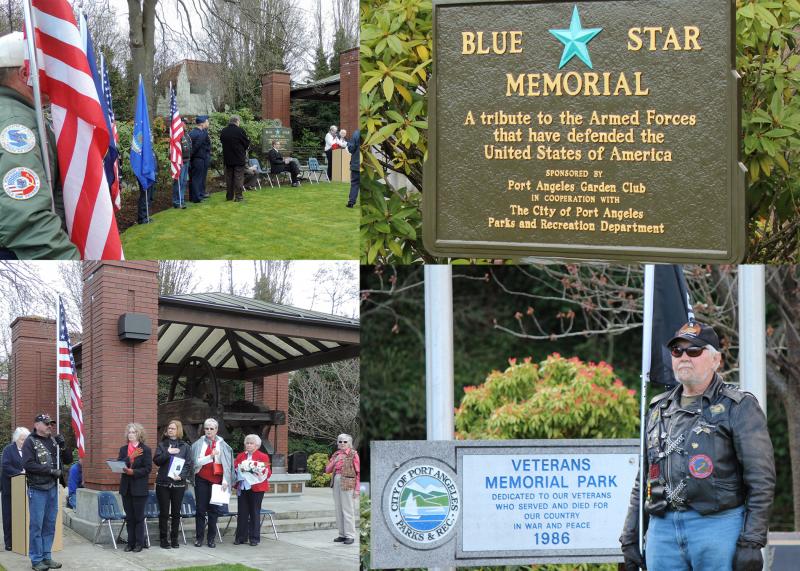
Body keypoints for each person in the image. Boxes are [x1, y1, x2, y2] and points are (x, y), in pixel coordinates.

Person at [620, 321, 776, 571]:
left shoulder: (738, 407)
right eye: (677, 351)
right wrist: (630, 536)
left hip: (718, 526)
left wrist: (752, 541)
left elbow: (761, 480)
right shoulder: (658, 408)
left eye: (694, 351)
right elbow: (644, 479)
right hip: (663, 531)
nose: (684, 357)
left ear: (716, 360)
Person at [0, 32, 79, 260]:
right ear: (26, 73)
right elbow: (26, 220)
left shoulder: (18, 113)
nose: (53, 80)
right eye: (46, 72)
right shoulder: (16, 123)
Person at [22, 413, 72, 570]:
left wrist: (63, 446)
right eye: (46, 423)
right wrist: (50, 471)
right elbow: (29, 464)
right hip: (37, 489)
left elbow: (69, 460)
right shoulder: (30, 442)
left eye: (51, 423)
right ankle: (36, 560)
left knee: (49, 525)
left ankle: (46, 556)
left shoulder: (53, 441)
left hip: (52, 488)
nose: (50, 426)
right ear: (37, 425)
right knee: (36, 525)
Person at [190, 418, 233, 548]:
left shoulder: (223, 445)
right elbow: (195, 463)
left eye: (211, 428)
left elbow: (228, 465)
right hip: (202, 479)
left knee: (214, 510)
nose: (209, 431)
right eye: (206, 428)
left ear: (216, 430)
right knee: (201, 510)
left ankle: (211, 539)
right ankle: (199, 538)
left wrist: (226, 481)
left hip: (217, 481)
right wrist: (210, 457)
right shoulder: (198, 444)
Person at [153, 419, 192, 549]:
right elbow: (157, 461)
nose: (170, 430)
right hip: (163, 483)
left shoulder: (185, 446)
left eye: (173, 428)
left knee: (176, 513)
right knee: (164, 513)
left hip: (178, 484)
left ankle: (174, 538)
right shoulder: (162, 445)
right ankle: (164, 539)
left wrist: (181, 476)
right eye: (169, 428)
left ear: (178, 430)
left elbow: (188, 464)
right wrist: (167, 453)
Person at [116, 423, 153, 553]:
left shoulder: (145, 449)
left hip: (139, 488)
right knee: (129, 517)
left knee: (138, 517)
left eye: (134, 432)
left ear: (139, 434)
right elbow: (119, 464)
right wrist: (130, 457)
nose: (131, 434)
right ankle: (130, 543)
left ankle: (139, 543)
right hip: (126, 488)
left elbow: (148, 469)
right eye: (129, 432)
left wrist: (134, 472)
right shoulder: (123, 449)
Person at [232, 434, 271, 546]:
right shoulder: (240, 456)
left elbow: (267, 473)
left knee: (254, 512)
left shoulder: (263, 456)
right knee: (242, 512)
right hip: (243, 487)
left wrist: (257, 472)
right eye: (247, 443)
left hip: (256, 488)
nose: (248, 445)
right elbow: (235, 469)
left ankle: (254, 538)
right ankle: (241, 537)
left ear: (257, 445)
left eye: (251, 443)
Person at [325, 433, 360, 545]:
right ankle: (342, 534)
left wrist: (357, 489)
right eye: (340, 441)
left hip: (349, 482)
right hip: (336, 480)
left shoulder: (353, 454)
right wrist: (335, 461)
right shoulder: (336, 454)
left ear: (349, 443)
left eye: (345, 441)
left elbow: (358, 472)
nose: (342, 443)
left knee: (348, 509)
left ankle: (350, 535)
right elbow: (327, 470)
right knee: (338, 509)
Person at [1, 426, 29, 550]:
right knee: (8, 515)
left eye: (26, 440)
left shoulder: (29, 450)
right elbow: (5, 466)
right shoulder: (8, 450)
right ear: (16, 439)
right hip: (10, 488)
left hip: (25, 488)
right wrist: (20, 473)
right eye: (22, 439)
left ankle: (21, 539)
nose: (24, 442)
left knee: (22, 515)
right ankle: (9, 542)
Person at [219, 115, 250, 202]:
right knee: (238, 178)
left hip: (228, 158)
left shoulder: (224, 131)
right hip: (238, 158)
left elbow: (222, 141)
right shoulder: (240, 131)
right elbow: (246, 143)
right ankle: (239, 197)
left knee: (229, 178)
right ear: (237, 121)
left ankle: (229, 196)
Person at [188, 115, 211, 203]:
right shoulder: (196, 133)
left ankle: (200, 194)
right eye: (207, 121)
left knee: (200, 177)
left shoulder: (200, 132)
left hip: (201, 158)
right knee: (196, 178)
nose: (208, 123)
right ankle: (196, 197)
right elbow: (194, 148)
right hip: (197, 159)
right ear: (202, 123)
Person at [172, 119, 192, 209]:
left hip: (186, 160)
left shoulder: (186, 134)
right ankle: (176, 201)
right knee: (178, 182)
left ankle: (182, 199)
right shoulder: (177, 135)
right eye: (184, 123)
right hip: (180, 162)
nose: (185, 125)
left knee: (184, 181)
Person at [346, 129, 360, 208]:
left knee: (355, 183)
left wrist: (348, 144)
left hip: (356, 164)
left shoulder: (356, 133)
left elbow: (351, 149)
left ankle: (351, 202)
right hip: (367, 164)